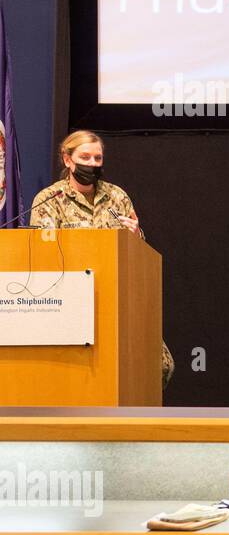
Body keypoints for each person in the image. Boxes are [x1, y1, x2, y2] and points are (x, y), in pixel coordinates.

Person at [31, 131, 174, 390]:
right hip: (69, 303)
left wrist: (135, 236)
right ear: (67, 159)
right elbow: (44, 254)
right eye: (85, 157)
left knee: (160, 364)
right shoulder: (50, 200)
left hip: (117, 298)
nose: (93, 164)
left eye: (98, 157)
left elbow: (139, 249)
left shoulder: (116, 197)